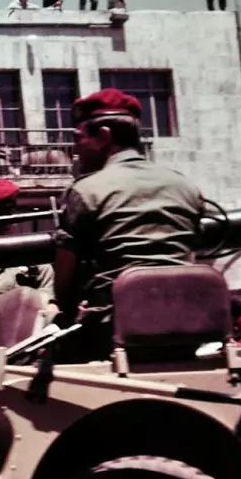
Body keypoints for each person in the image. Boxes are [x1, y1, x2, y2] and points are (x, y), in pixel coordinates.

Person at [53, 88, 205, 362]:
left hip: (114, 329)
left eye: (79, 138)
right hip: (189, 325)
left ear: (103, 136)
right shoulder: (185, 185)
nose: (76, 150)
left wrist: (67, 311)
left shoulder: (87, 190)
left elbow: (64, 280)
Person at [0, 178, 57, 312]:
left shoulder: (31, 257)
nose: (12, 216)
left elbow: (50, 303)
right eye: (5, 210)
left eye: (12, 208)